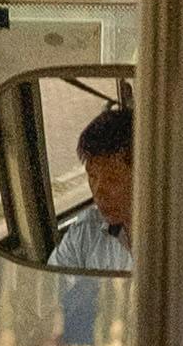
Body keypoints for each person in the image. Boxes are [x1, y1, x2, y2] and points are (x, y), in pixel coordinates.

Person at [47, 100, 134, 273]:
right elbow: (53, 284)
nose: (98, 191)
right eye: (92, 176)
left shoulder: (182, 237)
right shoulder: (84, 234)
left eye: (112, 178)